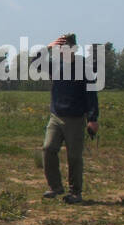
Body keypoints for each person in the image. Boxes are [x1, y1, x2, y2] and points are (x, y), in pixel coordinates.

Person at [42, 33, 99, 204]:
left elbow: (91, 94)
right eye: (60, 48)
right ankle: (55, 187)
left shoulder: (84, 68)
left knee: (74, 157)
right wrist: (48, 47)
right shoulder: (55, 66)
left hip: (75, 118)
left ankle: (75, 193)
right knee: (48, 149)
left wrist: (93, 118)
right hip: (56, 117)